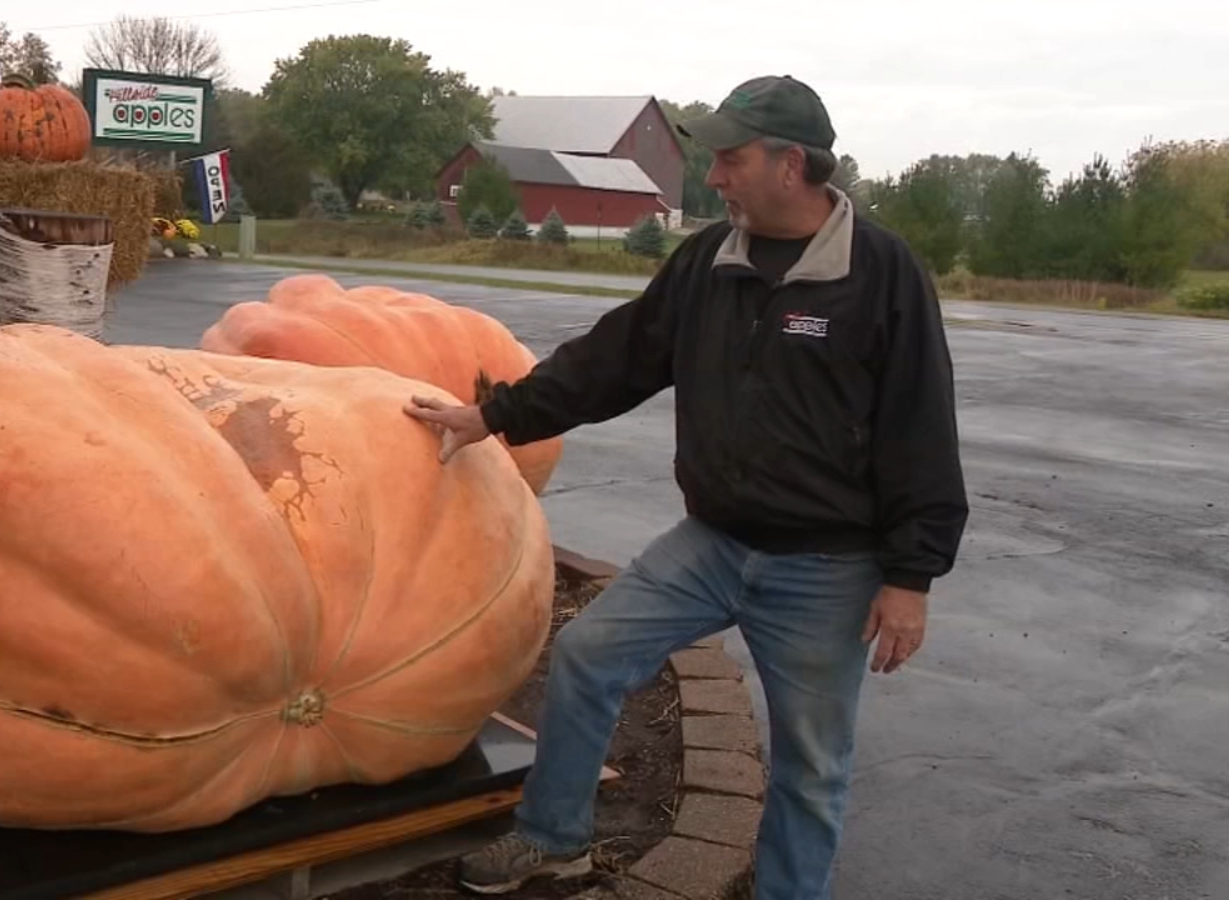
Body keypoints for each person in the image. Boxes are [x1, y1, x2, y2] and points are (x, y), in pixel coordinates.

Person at [403, 74, 968, 899]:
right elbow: (619, 357)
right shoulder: (710, 260)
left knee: (812, 767)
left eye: (731, 158)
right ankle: (555, 836)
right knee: (590, 655)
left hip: (827, 567)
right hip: (712, 544)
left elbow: (921, 425)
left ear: (792, 164)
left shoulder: (880, 274)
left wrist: (910, 577)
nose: (715, 176)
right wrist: (495, 414)